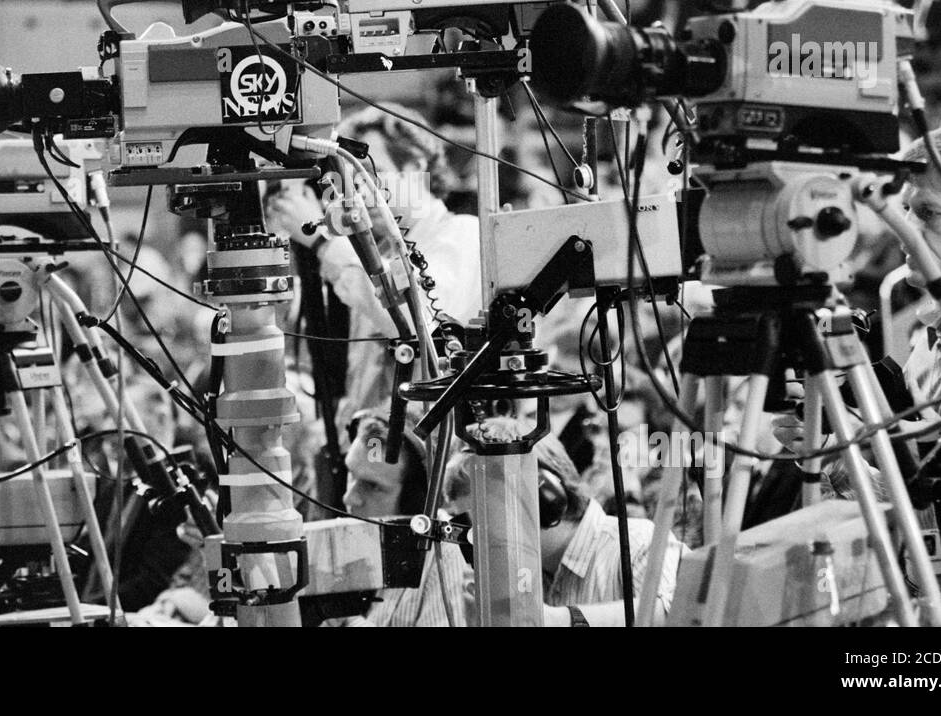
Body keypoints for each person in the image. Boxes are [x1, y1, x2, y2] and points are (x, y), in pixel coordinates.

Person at [777, 124, 941, 624]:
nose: (905, 227)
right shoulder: (931, 339)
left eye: (930, 213)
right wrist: (836, 452)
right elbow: (918, 499)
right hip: (940, 607)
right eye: (906, 209)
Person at [266, 101, 482, 426]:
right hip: (378, 450)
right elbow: (361, 384)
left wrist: (325, 244)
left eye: (370, 174)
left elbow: (414, 324)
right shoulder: (379, 258)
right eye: (352, 181)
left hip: (431, 450)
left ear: (415, 164)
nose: (359, 194)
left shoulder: (463, 234)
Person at [444, 417, 686, 626]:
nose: (477, 536)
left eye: (487, 517)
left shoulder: (638, 543)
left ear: (543, 495)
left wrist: (558, 620)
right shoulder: (522, 575)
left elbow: (676, 613)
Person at [334, 410, 469, 627]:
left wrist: (344, 621)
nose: (349, 497)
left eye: (372, 486)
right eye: (351, 474)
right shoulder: (336, 539)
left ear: (415, 499)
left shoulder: (444, 555)